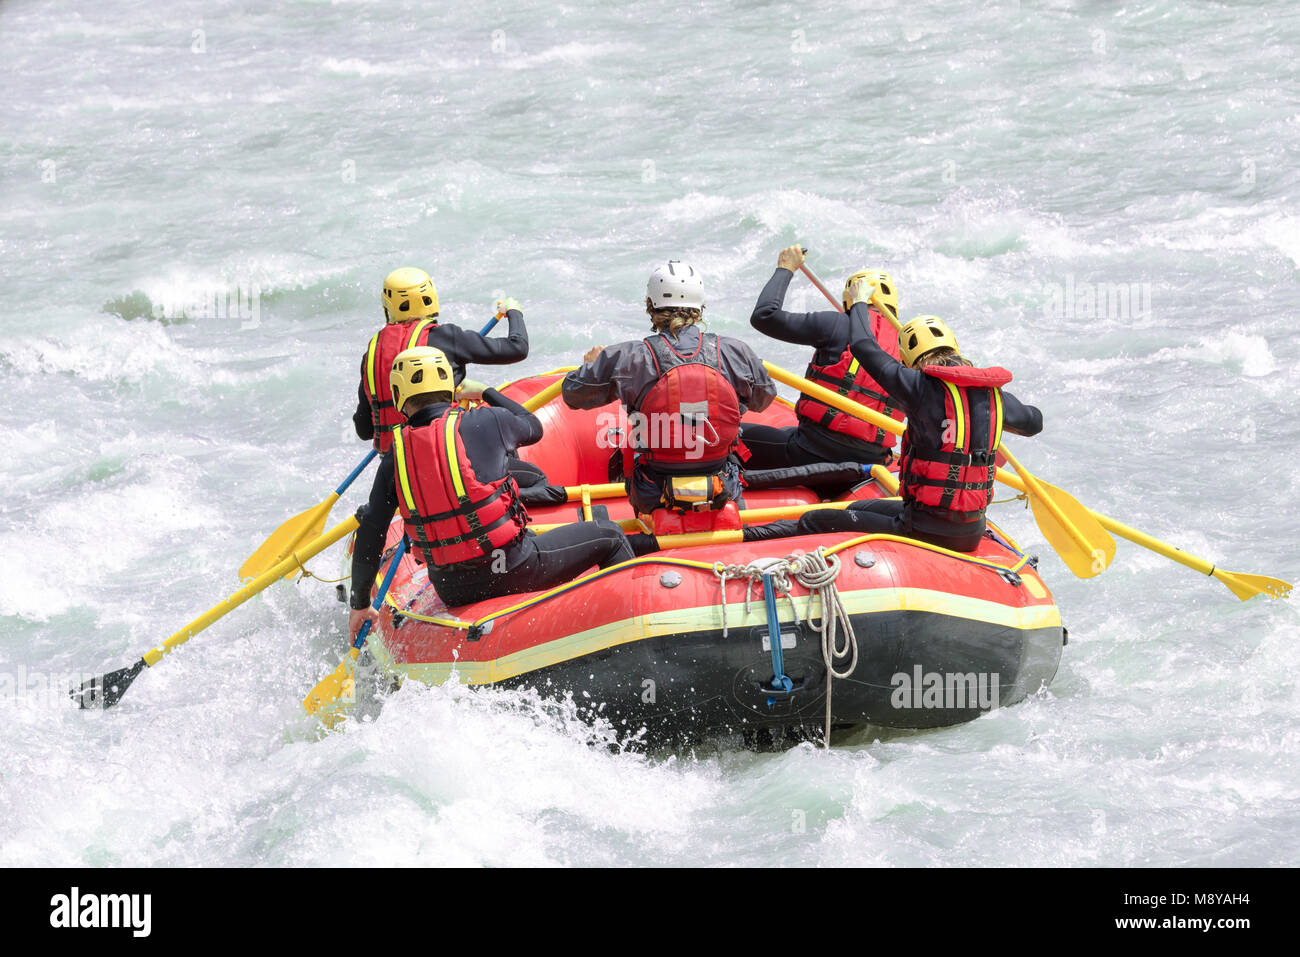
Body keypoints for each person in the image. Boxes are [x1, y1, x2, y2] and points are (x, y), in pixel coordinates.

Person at [348, 347, 634, 636]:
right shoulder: (486, 421)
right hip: (514, 569)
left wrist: (359, 603)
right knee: (611, 535)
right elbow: (533, 427)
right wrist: (486, 392)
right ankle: (625, 630)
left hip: (452, 590)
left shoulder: (394, 458)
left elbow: (371, 533)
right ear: (449, 384)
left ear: (399, 396)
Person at [744, 288, 1043, 553]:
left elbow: (863, 345)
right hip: (970, 531)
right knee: (858, 508)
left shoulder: (918, 387)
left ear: (912, 358)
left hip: (923, 529)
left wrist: (859, 303)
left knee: (815, 518)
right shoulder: (996, 398)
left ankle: (746, 537)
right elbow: (1034, 421)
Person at [561, 260, 777, 515]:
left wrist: (593, 366)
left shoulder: (629, 356)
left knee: (629, 452)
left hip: (653, 490)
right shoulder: (735, 351)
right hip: (722, 483)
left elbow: (572, 394)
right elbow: (764, 399)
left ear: (650, 307)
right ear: (700, 308)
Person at [743, 245, 906, 473]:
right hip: (873, 461)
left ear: (849, 299)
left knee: (725, 436)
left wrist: (786, 268)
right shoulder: (909, 348)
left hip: (810, 452)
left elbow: (764, 316)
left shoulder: (836, 324)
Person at [352, 267, 531, 457]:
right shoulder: (446, 337)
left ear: (388, 306)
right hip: (450, 452)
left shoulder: (371, 354)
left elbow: (364, 430)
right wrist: (514, 311)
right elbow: (517, 348)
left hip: (398, 464)